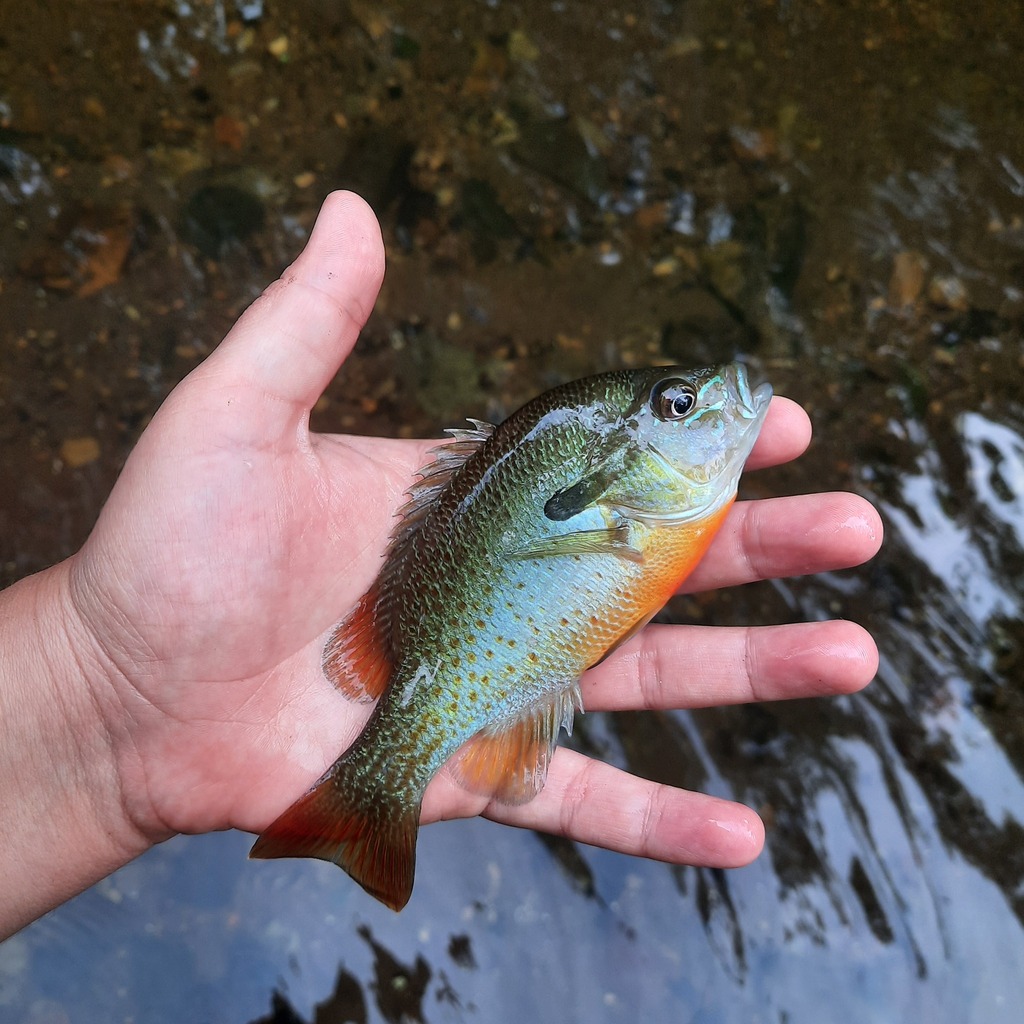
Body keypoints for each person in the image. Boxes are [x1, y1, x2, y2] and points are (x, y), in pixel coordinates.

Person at [0, 192, 881, 940]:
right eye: (679, 404)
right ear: (612, 470)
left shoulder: (632, 500)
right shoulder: (618, 493)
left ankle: (365, 808)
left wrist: (94, 703)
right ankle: (368, 802)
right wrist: (102, 686)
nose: (715, 399)